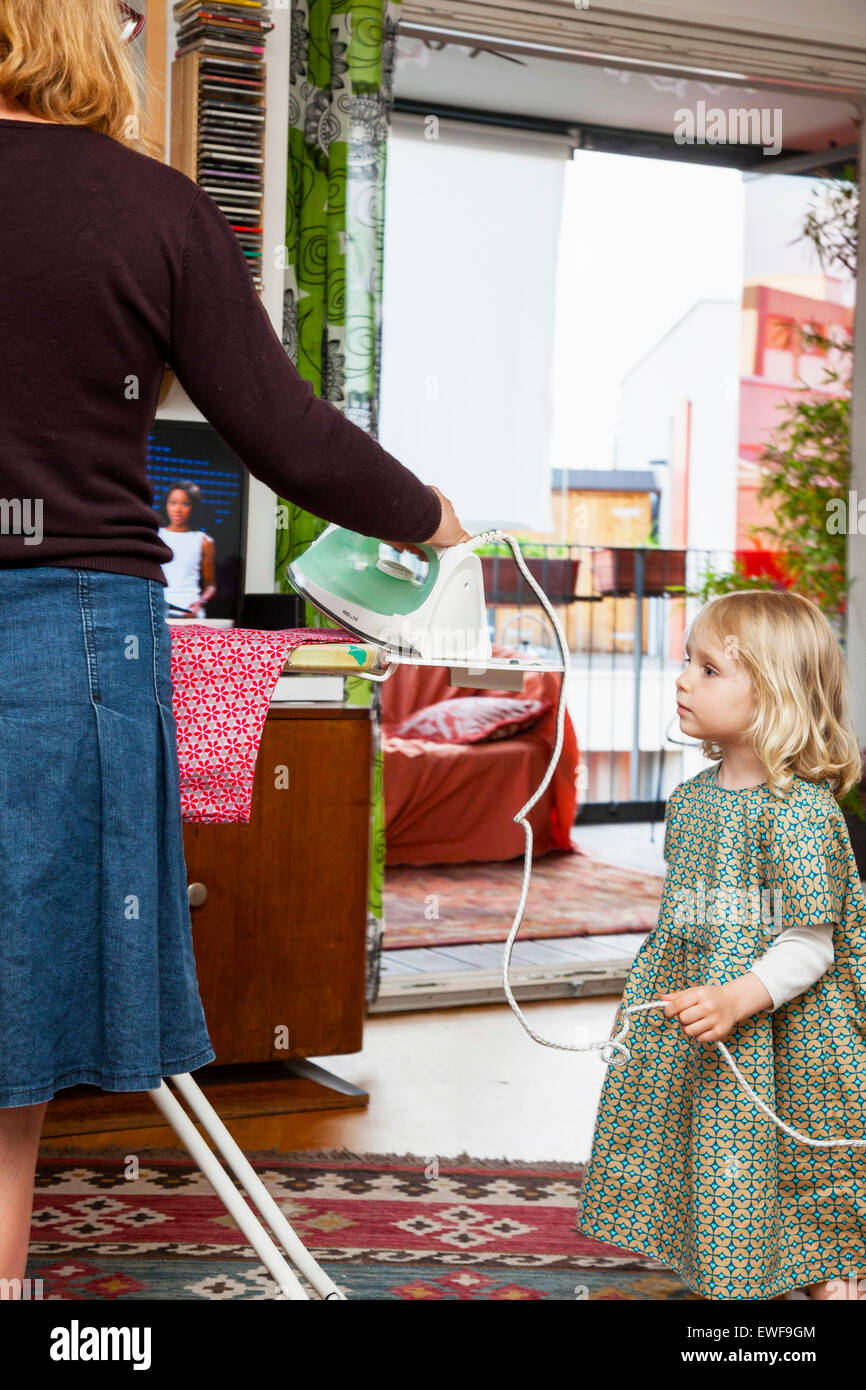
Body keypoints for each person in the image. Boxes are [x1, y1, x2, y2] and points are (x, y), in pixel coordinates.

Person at [0, 0, 471, 1293]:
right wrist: (425, 514)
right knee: (18, 984)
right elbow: (281, 425)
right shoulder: (154, 211)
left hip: (65, 640)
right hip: (74, 642)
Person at [576, 589, 866, 1301]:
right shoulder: (692, 800)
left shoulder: (798, 811)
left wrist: (739, 996)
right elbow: (687, 920)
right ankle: (736, 1263)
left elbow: (810, 941)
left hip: (787, 1029)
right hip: (702, 1014)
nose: (682, 680)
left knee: (793, 1157)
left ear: (774, 698)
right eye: (686, 663)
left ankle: (832, 1274)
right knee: (711, 1143)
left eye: (708, 669)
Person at [158, 482, 217, 617]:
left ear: (193, 507)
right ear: (166, 504)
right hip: (159, 610)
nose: (177, 509)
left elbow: (210, 586)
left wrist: (199, 603)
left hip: (189, 611)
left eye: (185, 504)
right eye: (173, 503)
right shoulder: (156, 536)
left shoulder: (204, 541)